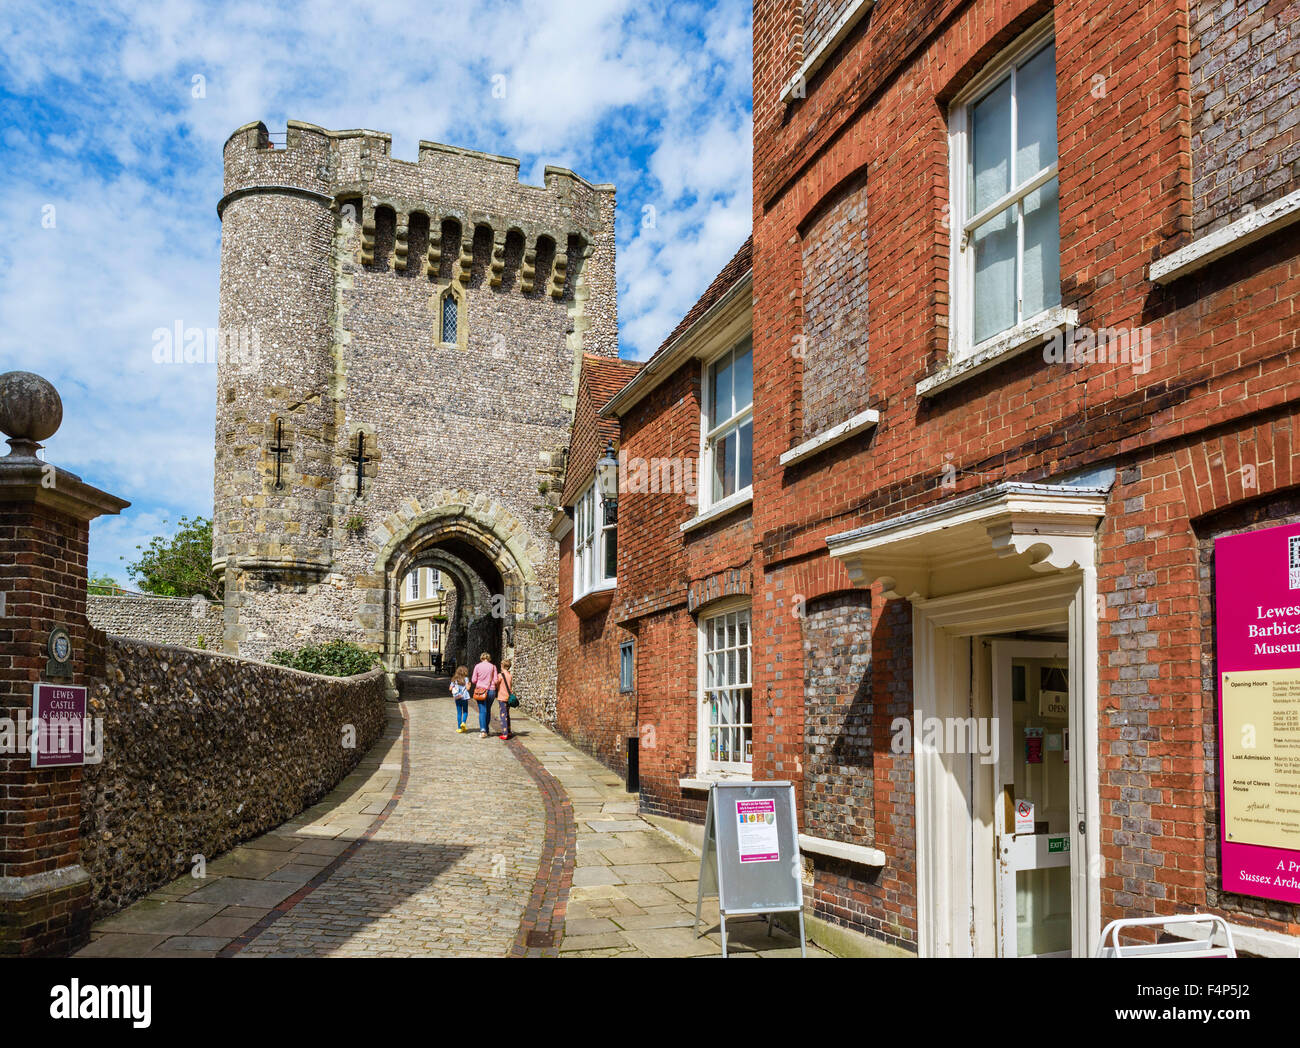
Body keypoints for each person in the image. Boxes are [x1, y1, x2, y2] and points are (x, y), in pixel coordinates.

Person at [470, 651, 497, 738]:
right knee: (488, 710)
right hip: (491, 690)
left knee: (482, 710)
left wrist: (480, 681)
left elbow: (473, 680)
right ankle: (487, 729)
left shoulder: (477, 666)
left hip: (481, 690)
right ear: (489, 658)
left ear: (481, 658)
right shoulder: (493, 667)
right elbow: (496, 680)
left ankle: (483, 730)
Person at [495, 658, 514, 740]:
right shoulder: (510, 675)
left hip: (502, 697)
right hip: (508, 697)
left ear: (502, 666)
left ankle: (505, 733)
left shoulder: (500, 675)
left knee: (503, 715)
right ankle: (509, 731)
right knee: (507, 714)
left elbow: (496, 683)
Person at [450, 665, 470, 733]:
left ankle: (459, 728)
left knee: (459, 712)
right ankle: (463, 723)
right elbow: (468, 688)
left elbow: (450, 688)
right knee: (465, 711)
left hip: (457, 697)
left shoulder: (454, 679)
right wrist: (469, 685)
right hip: (464, 697)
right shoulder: (466, 679)